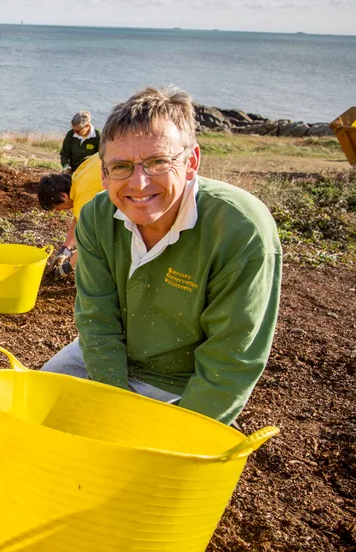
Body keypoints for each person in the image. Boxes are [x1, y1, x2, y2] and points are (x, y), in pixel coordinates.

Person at [42, 86, 282, 427]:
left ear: (191, 162)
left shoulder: (240, 229)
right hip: (110, 361)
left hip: (181, 381)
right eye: (122, 166)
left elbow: (231, 358)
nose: (139, 183)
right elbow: (97, 320)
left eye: (157, 162)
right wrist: (113, 405)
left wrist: (179, 434)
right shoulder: (96, 217)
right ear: (105, 174)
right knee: (35, 410)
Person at [37, 154, 104, 279]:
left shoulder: (84, 194)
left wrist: (68, 266)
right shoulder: (79, 175)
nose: (58, 211)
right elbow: (78, 219)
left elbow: (93, 240)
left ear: (63, 196)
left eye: (56, 207)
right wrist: (65, 250)